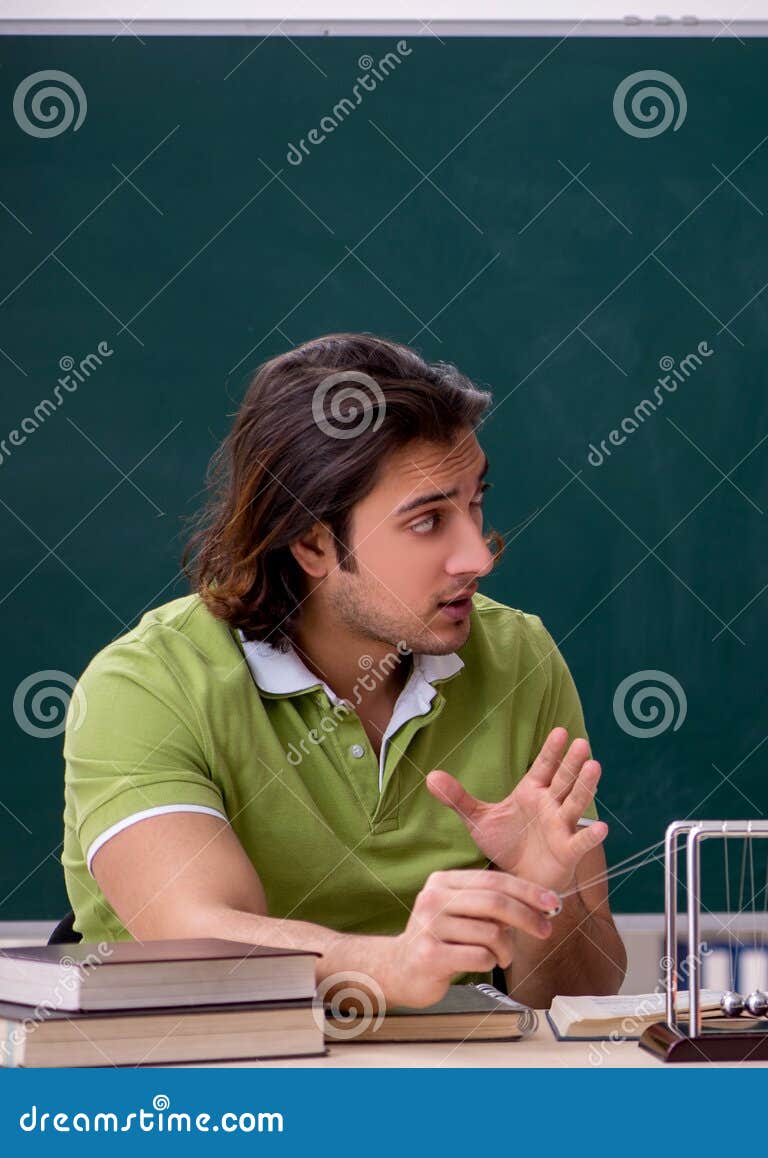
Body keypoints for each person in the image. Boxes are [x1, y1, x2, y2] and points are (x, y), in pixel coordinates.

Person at [62, 333, 625, 1011]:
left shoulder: (519, 658)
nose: (478, 554)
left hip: (453, 1087)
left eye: (476, 502)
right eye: (427, 521)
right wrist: (393, 964)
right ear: (312, 542)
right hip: (204, 1084)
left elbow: (582, 996)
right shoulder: (147, 684)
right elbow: (199, 941)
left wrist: (545, 895)